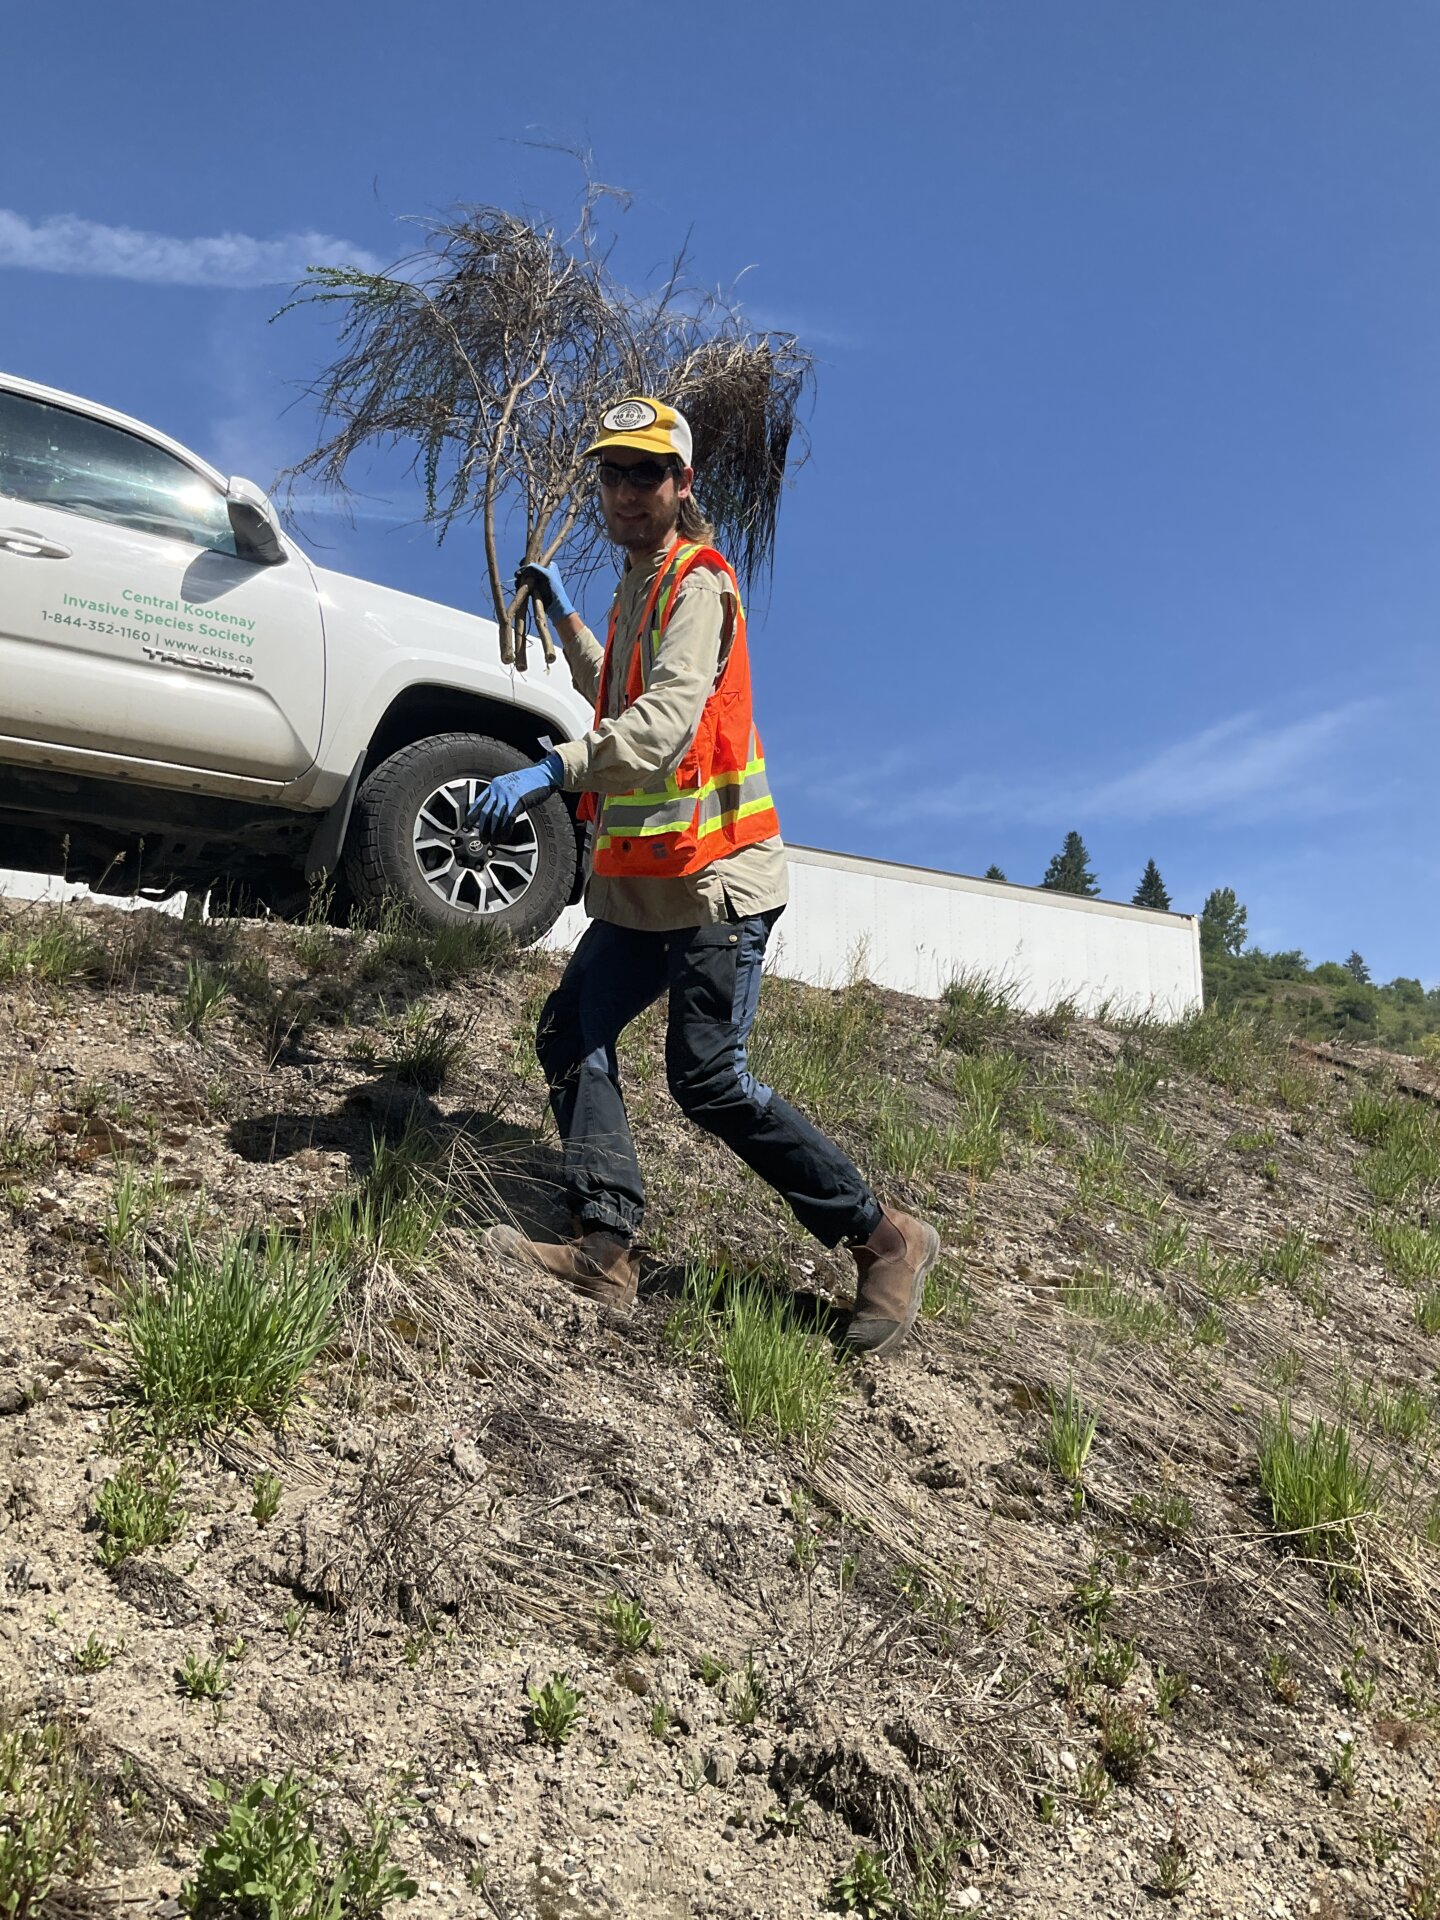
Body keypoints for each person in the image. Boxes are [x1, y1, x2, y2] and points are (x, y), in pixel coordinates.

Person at [475, 396, 938, 1357]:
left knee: (709, 1080)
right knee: (572, 1029)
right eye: (611, 472)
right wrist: (563, 611)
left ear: (682, 486)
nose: (625, 491)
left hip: (719, 884)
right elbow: (620, 685)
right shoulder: (636, 588)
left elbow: (667, 720)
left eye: (646, 473)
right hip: (648, 890)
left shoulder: (698, 585)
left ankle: (884, 1236)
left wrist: (552, 770)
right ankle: (605, 1244)